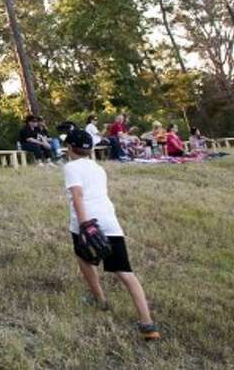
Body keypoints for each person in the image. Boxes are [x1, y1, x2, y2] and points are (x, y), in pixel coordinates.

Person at [62, 127, 160, 341]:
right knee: (124, 271)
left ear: (69, 147)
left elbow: (78, 196)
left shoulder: (71, 167)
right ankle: (147, 323)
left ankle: (100, 299)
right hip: (109, 220)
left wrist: (86, 225)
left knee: (83, 258)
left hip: (86, 221)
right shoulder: (98, 168)